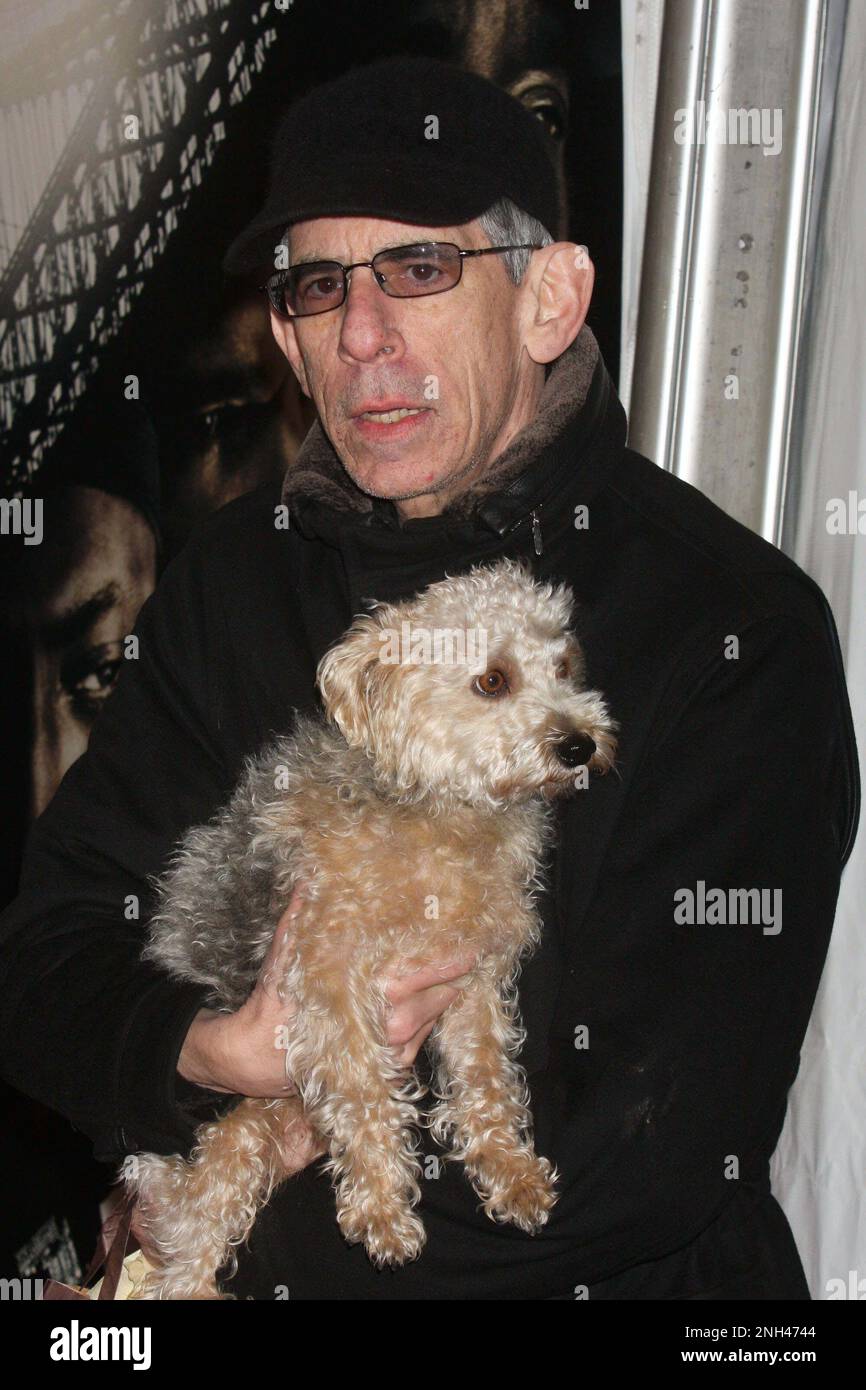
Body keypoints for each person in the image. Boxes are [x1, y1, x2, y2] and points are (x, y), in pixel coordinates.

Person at [0, 56, 858, 1301]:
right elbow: (46, 965)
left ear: (547, 302)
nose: (361, 335)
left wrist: (218, 1265)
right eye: (317, 285)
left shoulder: (731, 627)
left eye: (417, 269)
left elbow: (644, 1148)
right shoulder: (229, 584)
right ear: (285, 340)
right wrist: (214, 1050)